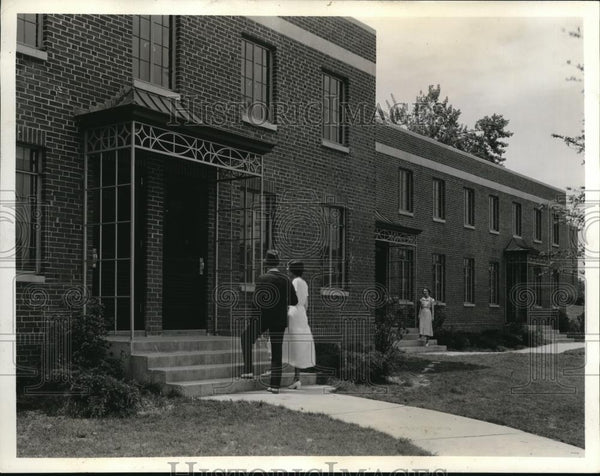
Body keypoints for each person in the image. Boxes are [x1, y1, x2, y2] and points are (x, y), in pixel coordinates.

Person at [240, 249, 298, 394]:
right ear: (277, 264)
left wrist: (253, 319)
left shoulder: (262, 279)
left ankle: (248, 371)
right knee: (277, 351)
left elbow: (256, 302)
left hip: (262, 318)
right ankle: (274, 386)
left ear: (266, 264)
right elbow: (294, 301)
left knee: (246, 338)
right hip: (279, 320)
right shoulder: (285, 279)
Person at [282, 260, 315, 389]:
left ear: (292, 270)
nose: (287, 269)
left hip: (294, 311)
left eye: (288, 268)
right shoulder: (304, 283)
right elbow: (306, 304)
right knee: (299, 345)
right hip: (302, 314)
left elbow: (291, 298)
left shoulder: (294, 282)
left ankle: (278, 370)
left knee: (287, 341)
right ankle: (297, 378)